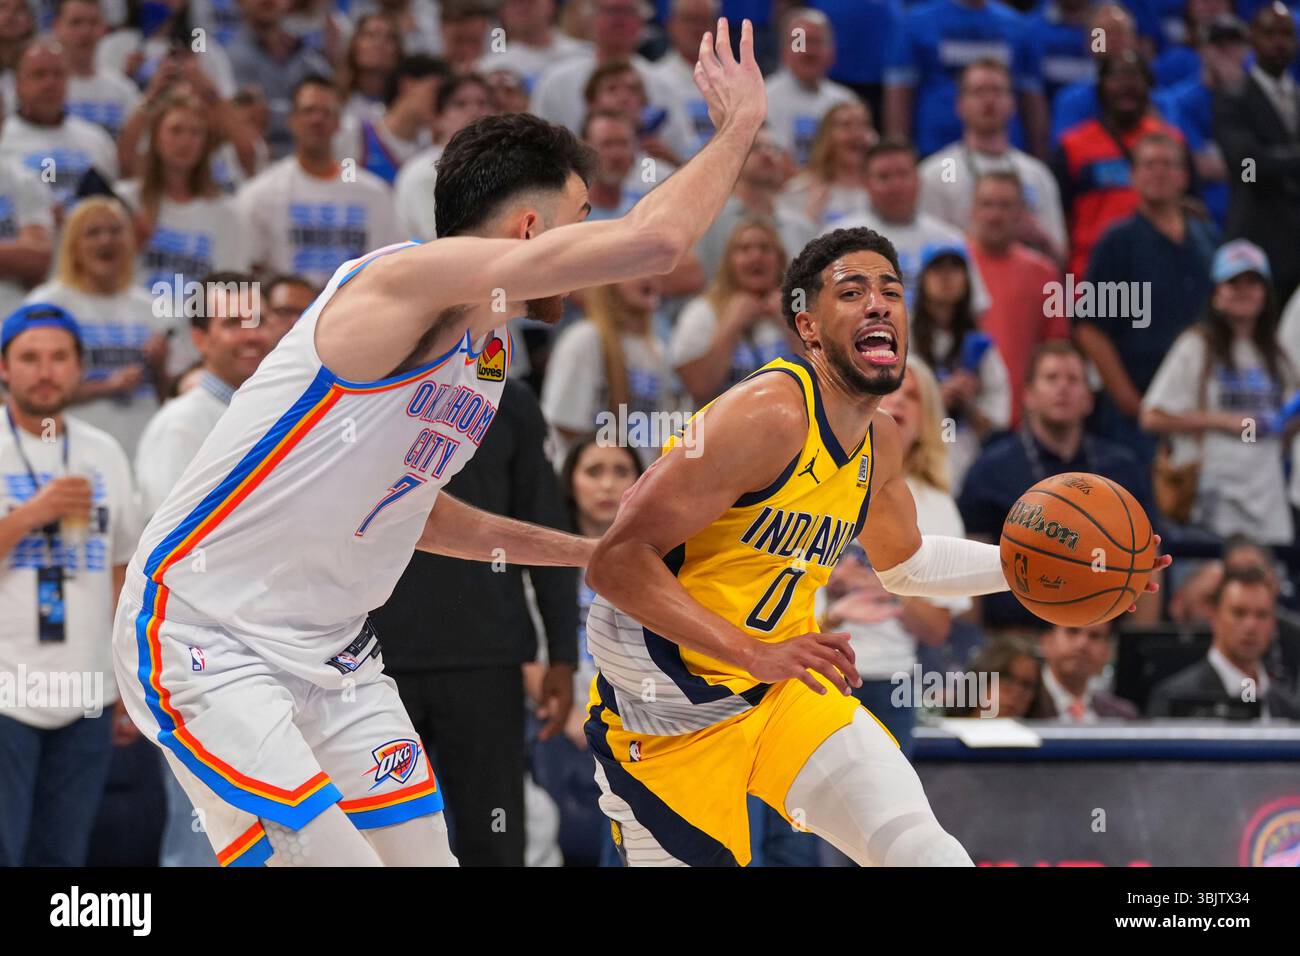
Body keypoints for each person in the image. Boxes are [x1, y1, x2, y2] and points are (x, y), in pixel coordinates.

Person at [108, 18, 772, 868]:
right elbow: (656, 239)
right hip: (205, 634)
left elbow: (417, 513)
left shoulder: (488, 358)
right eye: (581, 218)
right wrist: (739, 126)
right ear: (535, 233)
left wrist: (593, 550)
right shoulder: (401, 284)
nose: (593, 240)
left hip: (334, 650)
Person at [582, 224, 1170, 867]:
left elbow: (907, 566)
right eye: (852, 291)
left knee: (924, 851)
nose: (879, 303)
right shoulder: (766, 416)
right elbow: (615, 562)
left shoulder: (880, 441)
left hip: (783, 692)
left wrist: (1055, 570)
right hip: (664, 709)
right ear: (807, 327)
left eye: (891, 290)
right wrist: (753, 652)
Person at [370, 378, 578, 867]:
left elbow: (544, 526)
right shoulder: (364, 384)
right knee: (376, 841)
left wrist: (563, 656)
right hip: (371, 660)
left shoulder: (510, 399)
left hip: (485, 659)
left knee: (495, 837)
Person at [0, 304, 142, 866]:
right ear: (4, 368)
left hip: (87, 690)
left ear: (79, 368)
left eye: (60, 357)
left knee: (64, 859)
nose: (45, 371)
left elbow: (121, 566)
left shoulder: (102, 450)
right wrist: (28, 516)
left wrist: (125, 681)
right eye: (30, 358)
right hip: (6, 691)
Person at [819, 358, 969, 755]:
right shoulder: (815, 479)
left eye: (914, 397)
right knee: (799, 816)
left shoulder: (936, 505)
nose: (899, 403)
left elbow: (937, 627)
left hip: (888, 684)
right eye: (890, 392)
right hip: (810, 670)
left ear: (927, 420)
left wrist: (890, 586)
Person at [958, 340, 1157, 631]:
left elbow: (1149, 559)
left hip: (1098, 634)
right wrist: (975, 648)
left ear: (1089, 399)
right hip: (1016, 635)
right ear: (1028, 395)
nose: (1062, 388)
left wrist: (1137, 645)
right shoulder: (991, 469)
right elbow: (969, 566)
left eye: (1073, 379)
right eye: (1051, 378)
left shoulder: (1122, 466)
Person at [1141, 239, 1297, 545]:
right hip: (1210, 503)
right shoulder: (1196, 346)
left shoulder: (1277, 356)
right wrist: (1224, 421)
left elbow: (1288, 423)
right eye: (1233, 282)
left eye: (1253, 282)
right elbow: (1152, 417)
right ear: (1216, 294)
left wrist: (1282, 423)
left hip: (1267, 504)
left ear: (1265, 293)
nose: (1243, 290)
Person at [1076, 131, 1216, 461]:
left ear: (1184, 176)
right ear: (1134, 176)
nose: (1158, 172)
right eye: (1148, 165)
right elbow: (1090, 329)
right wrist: (1130, 402)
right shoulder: (1118, 241)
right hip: (1137, 410)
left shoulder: (1207, 238)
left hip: (1200, 406)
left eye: (1168, 165)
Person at [26, 196, 170, 460]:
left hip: (146, 446)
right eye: (93, 232)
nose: (107, 240)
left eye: (116, 231)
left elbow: (171, 397)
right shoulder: (48, 304)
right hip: (72, 448)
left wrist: (160, 368)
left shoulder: (152, 306)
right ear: (72, 245)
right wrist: (105, 386)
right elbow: (29, 390)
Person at [236, 75, 403, 288]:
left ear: (338, 123)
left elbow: (391, 266)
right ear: (291, 119)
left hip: (355, 311)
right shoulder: (260, 193)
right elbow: (248, 271)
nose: (317, 120)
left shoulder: (374, 195)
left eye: (327, 113)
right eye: (308, 111)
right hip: (286, 314)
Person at [919, 58, 1067, 263]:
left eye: (997, 91)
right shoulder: (938, 171)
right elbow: (925, 249)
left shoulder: (1036, 173)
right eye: (979, 91)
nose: (989, 100)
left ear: (1012, 104)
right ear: (960, 105)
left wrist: (1039, 238)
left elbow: (1061, 258)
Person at [1052, 50, 1182, 280]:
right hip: (1092, 276)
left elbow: (1192, 205)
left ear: (1149, 86)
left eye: (1134, 77)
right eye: (1117, 77)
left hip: (1159, 272)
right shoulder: (1072, 147)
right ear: (1100, 87)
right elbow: (1060, 217)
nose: (1126, 86)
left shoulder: (1172, 143)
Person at [838, 138, 992, 314]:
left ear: (918, 180)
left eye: (903, 175)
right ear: (865, 183)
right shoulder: (840, 239)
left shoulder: (949, 238)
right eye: (884, 177)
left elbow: (974, 311)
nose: (896, 186)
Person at [541, 275, 679, 467]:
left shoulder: (658, 351)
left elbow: (663, 428)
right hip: (586, 479)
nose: (649, 277)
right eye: (639, 269)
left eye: (656, 270)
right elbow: (567, 424)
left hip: (638, 481)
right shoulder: (584, 340)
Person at [1213, 2, 1300, 304]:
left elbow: (1260, 159)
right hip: (1258, 237)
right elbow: (1247, 165)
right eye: (1269, 33)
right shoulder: (1232, 96)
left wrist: (1272, 158)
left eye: (1286, 34)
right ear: (1252, 38)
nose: (1279, 42)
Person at [883, 0, 1048, 159]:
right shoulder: (918, 22)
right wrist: (898, 150)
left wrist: (1040, 154)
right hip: (940, 147)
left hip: (1003, 151)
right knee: (948, 185)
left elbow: (1030, 97)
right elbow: (899, 92)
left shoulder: (1016, 26)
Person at [965, 171, 1066, 426]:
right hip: (963, 417)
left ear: (1021, 213)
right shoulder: (952, 265)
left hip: (1023, 420)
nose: (995, 215)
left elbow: (1055, 349)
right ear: (973, 210)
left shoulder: (1044, 273)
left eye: (1005, 205)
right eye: (987, 204)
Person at [909, 241, 1011, 489]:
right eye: (937, 269)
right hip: (915, 450)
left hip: (966, 450)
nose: (947, 277)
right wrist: (936, 399)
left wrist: (968, 402)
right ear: (922, 279)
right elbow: (887, 403)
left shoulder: (979, 343)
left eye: (955, 269)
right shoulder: (903, 336)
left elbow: (998, 416)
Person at [670, 217, 799, 405]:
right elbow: (698, 388)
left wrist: (789, 325)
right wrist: (731, 325)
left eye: (765, 248)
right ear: (728, 262)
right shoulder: (702, 311)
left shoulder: (800, 314)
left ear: (780, 259)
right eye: (744, 249)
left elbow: (820, 386)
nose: (756, 256)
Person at [1148, 564, 1300, 718]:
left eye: (1261, 615)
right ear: (1214, 617)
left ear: (1273, 624)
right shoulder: (1174, 699)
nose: (1251, 626)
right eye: (1239, 613)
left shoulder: (1290, 710)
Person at [0, 40, 118, 214]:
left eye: (58, 74)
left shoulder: (96, 140)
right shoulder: (4, 140)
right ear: (18, 84)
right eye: (39, 75)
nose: (50, 84)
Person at [224, 0, 334, 158]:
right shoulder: (229, 58)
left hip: (311, 161)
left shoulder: (309, 58)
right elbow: (245, 118)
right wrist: (305, 115)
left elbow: (332, 112)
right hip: (257, 163)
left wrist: (269, 113)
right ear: (239, 2)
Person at [392, 71, 494, 241]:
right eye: (460, 104)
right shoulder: (425, 171)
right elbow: (439, 238)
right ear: (438, 118)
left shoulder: (496, 166)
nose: (474, 111)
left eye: (482, 103)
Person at [761, 7, 857, 167]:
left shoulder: (846, 102)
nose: (809, 51)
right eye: (800, 42)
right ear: (784, 49)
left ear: (831, 51)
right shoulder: (763, 97)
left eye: (817, 42)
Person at [775, 99, 874, 232]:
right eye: (846, 126)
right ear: (826, 136)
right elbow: (788, 239)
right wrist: (810, 214)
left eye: (863, 125)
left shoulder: (885, 190)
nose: (857, 135)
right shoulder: (800, 190)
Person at [52, 0, 142, 139]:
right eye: (76, 23)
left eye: (93, 23)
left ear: (103, 29)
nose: (85, 32)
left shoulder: (124, 89)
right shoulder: (45, 88)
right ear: (57, 27)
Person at [1029, 620, 1140, 720]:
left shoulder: (1123, 716)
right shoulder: (1021, 705)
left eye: (1095, 636)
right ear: (1046, 641)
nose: (1082, 644)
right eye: (1072, 631)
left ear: (1107, 652)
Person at [476, 0, 592, 94]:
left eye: (530, 2)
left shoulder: (584, 54)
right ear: (503, 13)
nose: (522, 6)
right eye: (514, 3)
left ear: (550, 4)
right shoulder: (489, 68)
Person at [948, 637, 1040, 718]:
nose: (1016, 692)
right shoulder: (941, 732)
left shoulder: (1043, 736)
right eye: (1008, 678)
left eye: (1026, 685)